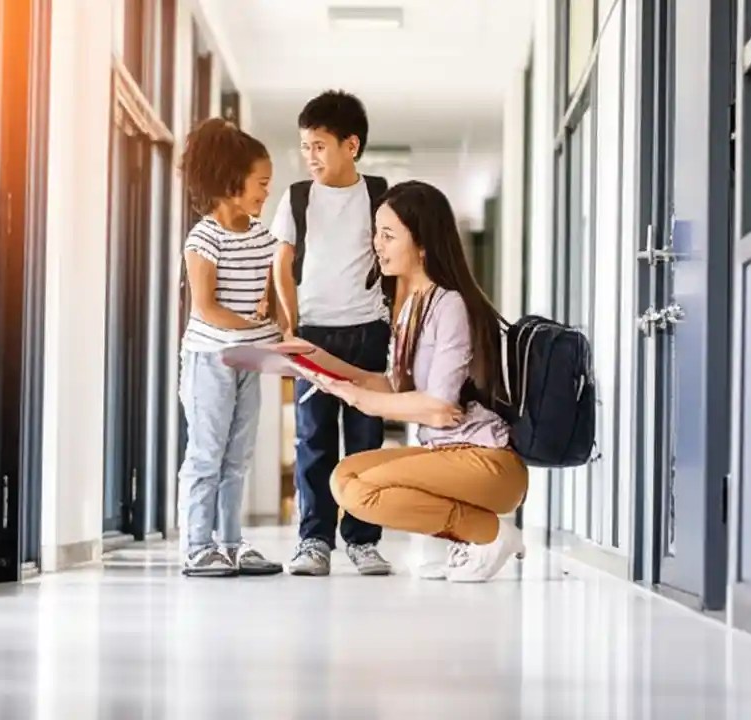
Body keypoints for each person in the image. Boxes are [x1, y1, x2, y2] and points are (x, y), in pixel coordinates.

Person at [279, 180, 528, 582]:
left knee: (362, 492)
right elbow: (393, 388)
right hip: (446, 455)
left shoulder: (450, 305)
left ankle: (489, 533)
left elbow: (438, 407)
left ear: (423, 243)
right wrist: (315, 360)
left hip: (485, 462)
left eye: (388, 234)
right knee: (343, 478)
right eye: (376, 232)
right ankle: (469, 534)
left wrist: (356, 397)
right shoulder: (413, 304)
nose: (376, 244)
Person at [268, 90, 393, 576]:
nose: (311, 156)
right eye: (305, 146)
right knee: (313, 440)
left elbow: (392, 262)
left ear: (351, 145)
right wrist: (291, 323)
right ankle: (313, 540)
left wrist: (397, 325)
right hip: (314, 334)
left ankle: (363, 540)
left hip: (367, 332)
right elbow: (282, 262)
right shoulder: (298, 197)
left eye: (319, 145)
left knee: (365, 441)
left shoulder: (380, 195)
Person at [176, 118, 286, 578]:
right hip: (209, 360)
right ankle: (197, 546)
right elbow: (205, 309)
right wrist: (262, 333)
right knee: (206, 453)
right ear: (230, 183)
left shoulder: (263, 238)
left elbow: (271, 297)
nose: (266, 193)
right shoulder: (204, 238)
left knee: (237, 455)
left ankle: (231, 543)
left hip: (247, 359)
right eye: (261, 184)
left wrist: (273, 318)